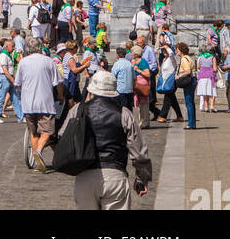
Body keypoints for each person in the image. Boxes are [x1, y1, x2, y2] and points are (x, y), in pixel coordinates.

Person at [58, 69, 151, 210]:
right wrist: (142, 178)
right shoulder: (124, 113)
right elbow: (138, 150)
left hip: (85, 175)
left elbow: (62, 136)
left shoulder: (78, 110)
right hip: (115, 175)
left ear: (91, 90)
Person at [15, 37, 62, 172]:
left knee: (34, 131)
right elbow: (58, 82)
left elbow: (17, 83)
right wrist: (60, 96)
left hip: (28, 102)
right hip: (45, 101)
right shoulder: (48, 61)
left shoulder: (23, 62)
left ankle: (36, 162)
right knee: (47, 131)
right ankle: (39, 152)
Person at [0, 39, 24, 123]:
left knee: (15, 97)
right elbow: (5, 70)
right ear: (7, 46)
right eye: (12, 46)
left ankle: (20, 117)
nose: (13, 48)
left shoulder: (9, 54)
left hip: (8, 77)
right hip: (5, 77)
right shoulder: (3, 55)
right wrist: (13, 80)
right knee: (1, 97)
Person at [156, 43, 182, 123]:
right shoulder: (164, 59)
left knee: (167, 99)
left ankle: (162, 116)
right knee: (172, 99)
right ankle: (179, 116)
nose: (164, 51)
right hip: (166, 81)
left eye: (165, 50)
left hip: (171, 81)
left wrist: (167, 47)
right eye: (163, 50)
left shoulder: (172, 58)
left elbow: (171, 53)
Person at [176, 42, 197, 129]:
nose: (176, 52)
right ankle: (192, 123)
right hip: (193, 80)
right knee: (191, 103)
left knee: (189, 103)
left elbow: (188, 71)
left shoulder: (184, 59)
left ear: (181, 50)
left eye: (177, 50)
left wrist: (179, 76)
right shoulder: (189, 58)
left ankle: (190, 124)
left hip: (189, 81)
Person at [111, 45, 135, 110]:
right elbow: (134, 77)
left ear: (117, 55)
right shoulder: (130, 64)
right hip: (130, 90)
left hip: (120, 90)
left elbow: (112, 76)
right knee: (129, 109)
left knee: (121, 109)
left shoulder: (117, 64)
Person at [197, 49, 217, 113]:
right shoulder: (213, 58)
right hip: (210, 76)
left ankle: (206, 108)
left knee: (205, 93)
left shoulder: (201, 57)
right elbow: (215, 69)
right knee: (212, 92)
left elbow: (198, 67)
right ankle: (211, 107)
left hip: (202, 76)